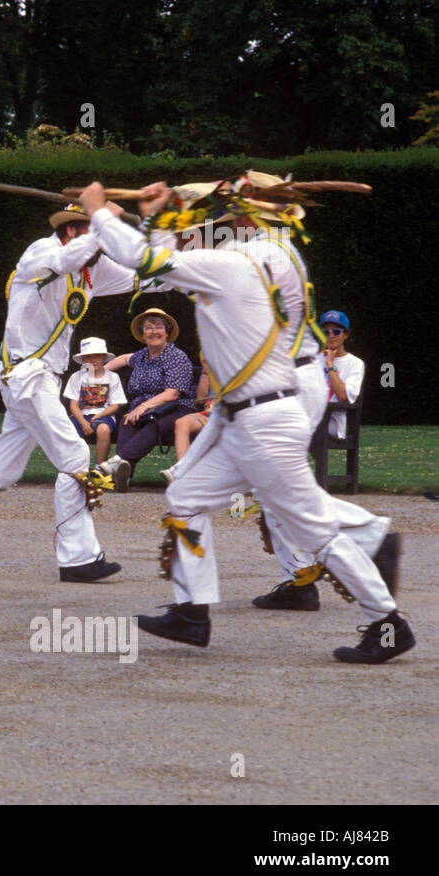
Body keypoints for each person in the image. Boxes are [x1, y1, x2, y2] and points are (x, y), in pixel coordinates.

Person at [80, 178, 412, 663]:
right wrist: (159, 218)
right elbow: (168, 261)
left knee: (313, 529)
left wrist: (100, 212)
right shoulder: (279, 258)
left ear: (248, 219)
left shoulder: (238, 265)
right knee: (187, 495)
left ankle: (388, 622)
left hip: (265, 421)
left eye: (233, 216)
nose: (227, 224)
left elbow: (151, 262)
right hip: (248, 416)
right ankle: (192, 612)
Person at [0, 204, 135, 581]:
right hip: (27, 373)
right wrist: (106, 219)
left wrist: (183, 246)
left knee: (3, 471)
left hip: (39, 379)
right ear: (73, 231)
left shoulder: (91, 270)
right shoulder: (42, 253)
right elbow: (66, 260)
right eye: (98, 233)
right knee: (74, 459)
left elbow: (145, 275)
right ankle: (78, 558)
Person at [99, 308, 196, 491]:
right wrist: (100, 374)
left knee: (153, 422)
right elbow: (126, 359)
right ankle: (124, 475)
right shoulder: (142, 356)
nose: (154, 332)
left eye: (159, 327)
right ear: (143, 335)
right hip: (144, 409)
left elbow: (173, 393)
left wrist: (143, 406)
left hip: (175, 408)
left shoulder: (176, 357)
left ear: (167, 332)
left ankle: (117, 462)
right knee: (127, 421)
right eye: (149, 328)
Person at [63, 336, 125, 466]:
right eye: (88, 357)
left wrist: (99, 415)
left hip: (104, 415)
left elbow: (115, 405)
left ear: (103, 357)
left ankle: (100, 467)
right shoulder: (77, 377)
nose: (92, 360)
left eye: (96, 356)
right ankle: (75, 467)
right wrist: (83, 422)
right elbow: (73, 404)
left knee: (103, 430)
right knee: (69, 433)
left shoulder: (112, 377)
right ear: (82, 360)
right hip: (80, 416)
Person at [319, 309, 363, 440]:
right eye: (326, 332)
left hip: (332, 422)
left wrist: (330, 365)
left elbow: (344, 396)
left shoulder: (355, 363)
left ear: (346, 334)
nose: (331, 335)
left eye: (336, 331)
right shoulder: (313, 359)